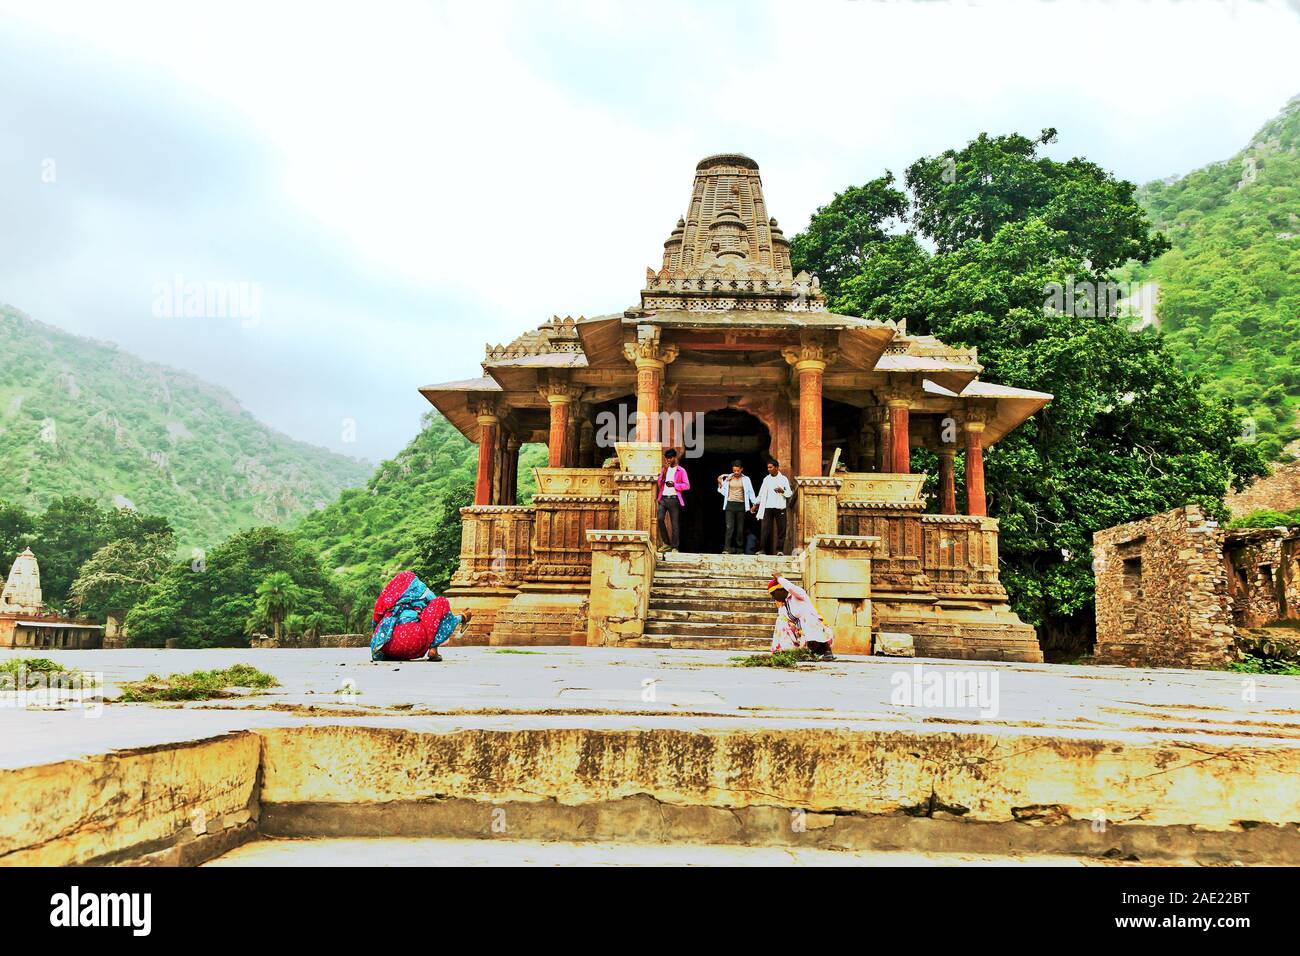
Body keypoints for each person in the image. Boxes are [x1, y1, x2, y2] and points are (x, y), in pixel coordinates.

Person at [370, 570, 472, 662]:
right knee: (441, 602)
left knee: (390, 618)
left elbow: (376, 618)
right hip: (414, 640)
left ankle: (390, 652)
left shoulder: (389, 595)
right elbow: (440, 615)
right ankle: (433, 649)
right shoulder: (419, 588)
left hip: (386, 644)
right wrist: (460, 617)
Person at [767, 575, 834, 660]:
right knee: (781, 620)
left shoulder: (798, 594)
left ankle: (826, 650)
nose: (773, 597)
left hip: (819, 632)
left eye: (773, 594)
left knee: (808, 617)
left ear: (781, 589)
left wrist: (780, 578)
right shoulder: (782, 606)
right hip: (801, 636)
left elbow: (791, 587)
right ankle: (784, 651)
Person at [752, 458, 794, 555]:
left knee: (781, 529)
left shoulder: (783, 479)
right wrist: (755, 504)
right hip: (768, 507)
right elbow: (761, 494)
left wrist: (782, 491)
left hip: (780, 506)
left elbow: (789, 494)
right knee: (765, 529)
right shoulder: (766, 479)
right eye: (768, 468)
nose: (769, 469)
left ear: (776, 467)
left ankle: (780, 550)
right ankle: (762, 550)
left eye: (771, 467)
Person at [716, 459, 757, 554]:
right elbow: (722, 491)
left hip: (741, 506)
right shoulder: (728, 478)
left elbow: (750, 492)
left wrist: (754, 504)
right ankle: (727, 548)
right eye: (734, 470)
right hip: (730, 505)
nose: (736, 472)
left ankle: (740, 549)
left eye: (738, 470)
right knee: (729, 527)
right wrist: (719, 482)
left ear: (742, 469)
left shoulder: (746, 479)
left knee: (740, 529)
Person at [656, 447, 689, 553]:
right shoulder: (665, 469)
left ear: (675, 457)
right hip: (663, 498)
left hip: (674, 499)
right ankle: (666, 543)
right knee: (660, 519)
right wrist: (663, 475)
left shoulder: (681, 470)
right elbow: (660, 483)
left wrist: (675, 485)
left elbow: (687, 486)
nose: (668, 460)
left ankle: (675, 547)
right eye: (667, 459)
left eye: (670, 458)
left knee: (675, 524)